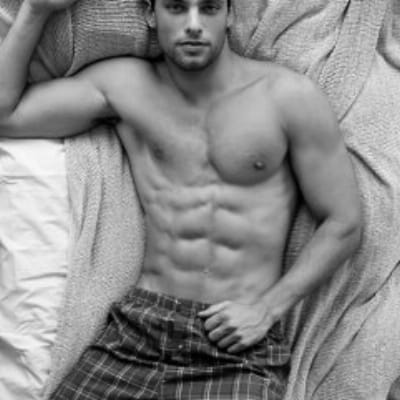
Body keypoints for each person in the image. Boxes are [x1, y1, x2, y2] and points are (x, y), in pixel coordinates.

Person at [0, 0, 362, 398]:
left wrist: (267, 309)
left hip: (234, 344)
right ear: (150, 15)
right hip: (136, 331)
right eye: (176, 7)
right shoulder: (125, 85)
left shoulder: (288, 96)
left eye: (208, 8)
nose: (193, 24)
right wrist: (35, 11)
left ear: (229, 15)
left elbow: (344, 223)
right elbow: (6, 115)